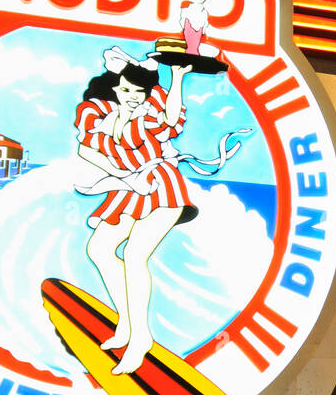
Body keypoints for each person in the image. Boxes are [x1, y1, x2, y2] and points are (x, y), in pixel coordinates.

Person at [73, 45, 248, 374]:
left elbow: (171, 120)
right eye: (126, 90)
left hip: (161, 184)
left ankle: (141, 337)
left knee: (136, 255)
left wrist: (178, 78)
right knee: (98, 248)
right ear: (114, 87)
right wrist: (125, 177)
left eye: (139, 91)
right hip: (132, 187)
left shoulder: (147, 117)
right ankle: (125, 324)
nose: (133, 97)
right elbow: (87, 150)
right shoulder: (101, 118)